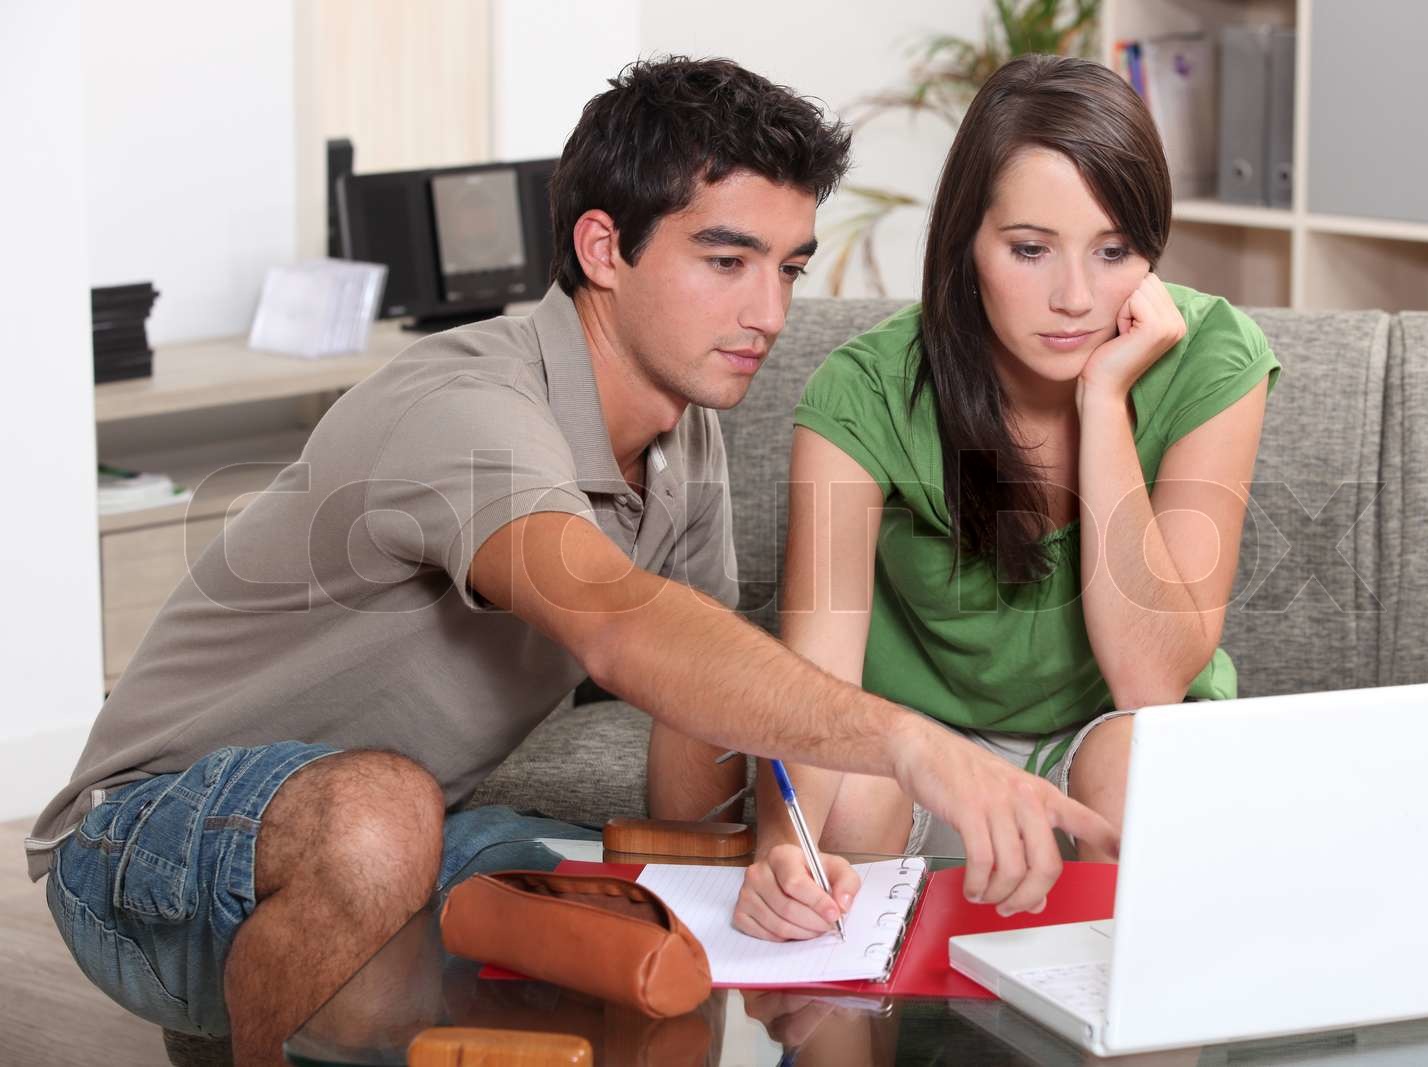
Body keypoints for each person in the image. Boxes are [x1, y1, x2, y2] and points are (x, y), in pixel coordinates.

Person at [26, 57, 1115, 1066]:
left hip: (424, 831)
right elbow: (620, 624)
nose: (770, 312)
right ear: (602, 248)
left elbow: (694, 701)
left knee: (631, 932)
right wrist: (912, 744)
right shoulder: (468, 405)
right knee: (382, 813)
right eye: (726, 261)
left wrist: (772, 852)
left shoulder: (684, 434)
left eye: (787, 268)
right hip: (145, 841)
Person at [714, 54, 1280, 941]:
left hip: (1108, 738)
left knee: (1143, 769)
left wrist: (1104, 402)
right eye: (1029, 249)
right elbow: (817, 683)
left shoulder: (1213, 357)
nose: (1075, 299)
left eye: (1114, 252)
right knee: (847, 798)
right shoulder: (863, 390)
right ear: (966, 242)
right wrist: (786, 849)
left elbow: (1150, 682)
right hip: (924, 752)